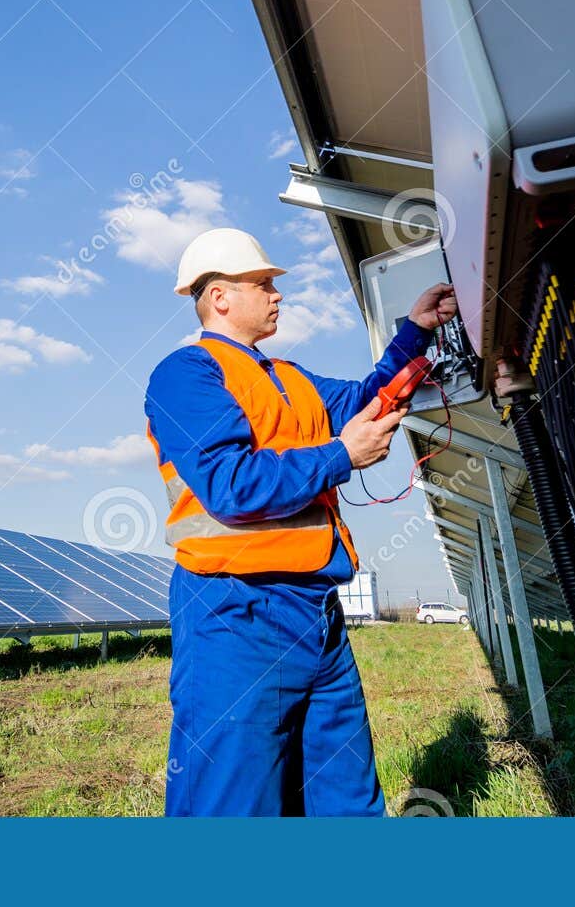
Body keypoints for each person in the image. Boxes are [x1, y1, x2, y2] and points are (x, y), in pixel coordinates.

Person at [143, 226, 457, 816]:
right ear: (219, 298)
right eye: (262, 284)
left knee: (345, 798)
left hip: (316, 614)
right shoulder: (187, 375)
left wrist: (415, 331)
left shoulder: (290, 378)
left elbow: (369, 397)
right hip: (236, 613)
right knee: (235, 805)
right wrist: (343, 456)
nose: (277, 294)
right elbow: (230, 485)